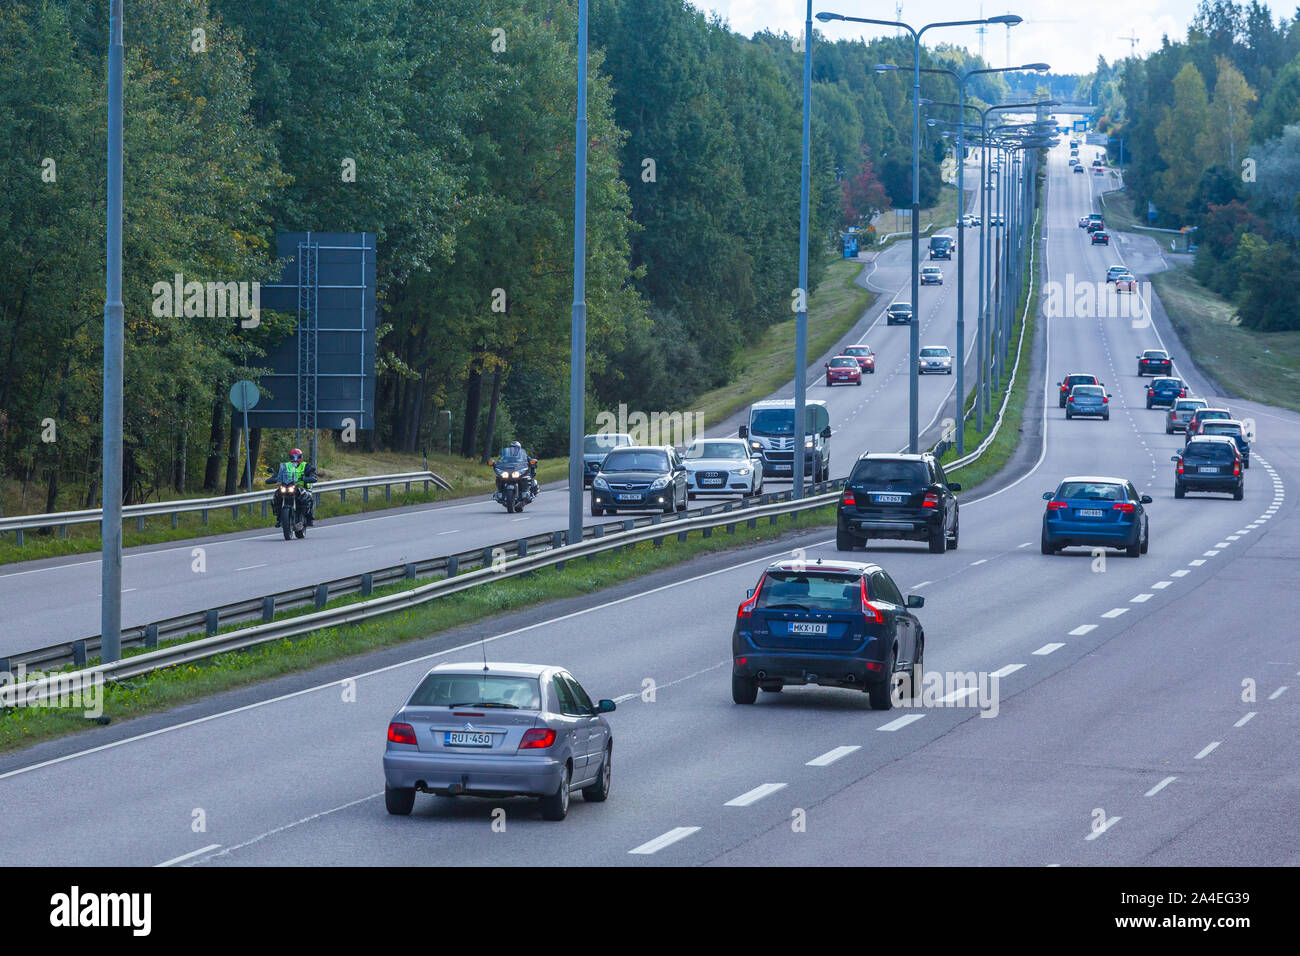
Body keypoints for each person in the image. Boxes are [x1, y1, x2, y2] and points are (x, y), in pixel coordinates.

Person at [266, 447, 318, 525]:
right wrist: (274, 478)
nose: (295, 459)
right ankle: (279, 516)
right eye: (293, 457)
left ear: (301, 457)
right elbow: (277, 474)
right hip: (287, 486)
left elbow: (312, 473)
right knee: (277, 495)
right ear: (290, 458)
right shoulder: (285, 466)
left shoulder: (306, 465)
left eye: (298, 457)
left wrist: (311, 477)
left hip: (302, 487)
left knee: (308, 497)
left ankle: (309, 518)